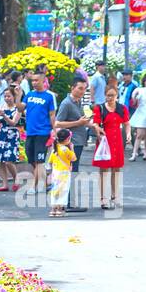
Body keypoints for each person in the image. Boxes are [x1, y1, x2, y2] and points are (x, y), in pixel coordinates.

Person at [54, 75, 93, 212]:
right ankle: (69, 203)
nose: (82, 91)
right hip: (71, 143)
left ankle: (69, 202)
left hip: (79, 141)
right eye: (80, 88)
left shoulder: (78, 102)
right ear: (73, 88)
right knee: (71, 172)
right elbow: (58, 123)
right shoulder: (67, 103)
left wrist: (95, 128)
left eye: (84, 89)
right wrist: (78, 123)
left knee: (73, 171)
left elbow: (84, 120)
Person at [92, 81, 129, 209]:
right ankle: (103, 198)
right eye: (108, 95)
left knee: (116, 169)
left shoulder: (122, 108)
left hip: (117, 139)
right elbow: (95, 123)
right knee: (104, 170)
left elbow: (126, 123)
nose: (110, 98)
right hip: (104, 140)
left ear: (117, 95)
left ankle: (115, 196)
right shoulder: (99, 108)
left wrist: (128, 134)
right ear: (104, 95)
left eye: (113, 95)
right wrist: (97, 130)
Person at [22, 73, 59, 197]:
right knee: (32, 159)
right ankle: (44, 177)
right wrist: (17, 96)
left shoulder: (49, 96)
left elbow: (52, 115)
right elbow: (20, 108)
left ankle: (34, 185)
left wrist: (54, 130)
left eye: (36, 80)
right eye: (32, 81)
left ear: (43, 81)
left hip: (42, 132)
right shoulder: (29, 95)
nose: (34, 82)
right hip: (30, 132)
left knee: (39, 160)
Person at [0, 87, 22, 192]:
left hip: (12, 134)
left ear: (14, 96)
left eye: (9, 96)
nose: (6, 98)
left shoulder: (18, 108)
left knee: (9, 160)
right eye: (5, 96)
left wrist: (4, 115)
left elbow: (13, 122)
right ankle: (4, 184)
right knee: (1, 160)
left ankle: (16, 180)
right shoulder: (2, 106)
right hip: (2, 134)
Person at [128, 73, 146, 161]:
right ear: (144, 81)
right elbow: (134, 100)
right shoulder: (139, 90)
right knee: (139, 135)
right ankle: (134, 153)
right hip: (141, 114)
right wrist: (134, 97)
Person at [48, 129, 76, 218]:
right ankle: (60, 209)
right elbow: (73, 158)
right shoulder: (66, 150)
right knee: (63, 190)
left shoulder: (54, 150)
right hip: (64, 173)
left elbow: (50, 161)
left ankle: (53, 209)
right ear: (67, 139)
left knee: (55, 190)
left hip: (55, 173)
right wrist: (72, 148)